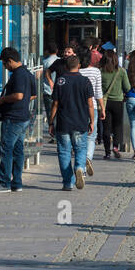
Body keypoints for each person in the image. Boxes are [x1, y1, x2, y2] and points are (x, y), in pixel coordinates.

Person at [0, 47, 37, 194]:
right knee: (18, 151)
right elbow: (33, 95)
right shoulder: (28, 73)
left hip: (13, 117)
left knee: (6, 150)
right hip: (23, 117)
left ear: (10, 61)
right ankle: (17, 182)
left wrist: (2, 100)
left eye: (4, 64)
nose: (4, 67)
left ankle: (4, 183)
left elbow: (18, 95)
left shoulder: (18, 75)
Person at [51, 52, 94, 190]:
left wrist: (51, 121)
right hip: (80, 122)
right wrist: (92, 121)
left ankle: (67, 183)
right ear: (79, 66)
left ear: (66, 66)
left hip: (63, 122)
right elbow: (90, 104)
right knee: (80, 149)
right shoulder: (85, 81)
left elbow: (55, 104)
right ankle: (80, 168)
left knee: (64, 152)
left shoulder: (60, 81)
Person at [76, 43, 105, 176]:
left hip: (77, 108)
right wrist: (102, 108)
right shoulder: (96, 71)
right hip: (92, 106)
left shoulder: (75, 71)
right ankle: (88, 158)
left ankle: (80, 166)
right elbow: (99, 93)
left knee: (79, 138)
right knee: (91, 137)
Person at [99, 49, 129, 159]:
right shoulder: (121, 72)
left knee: (106, 127)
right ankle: (116, 147)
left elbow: (98, 88)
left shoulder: (100, 71)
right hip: (118, 102)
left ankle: (107, 152)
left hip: (104, 103)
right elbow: (127, 87)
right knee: (117, 126)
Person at [42, 42, 59, 140]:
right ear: (57, 51)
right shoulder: (61, 61)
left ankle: (54, 134)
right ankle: (58, 133)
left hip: (48, 90)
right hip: (59, 91)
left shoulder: (45, 62)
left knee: (50, 113)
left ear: (47, 51)